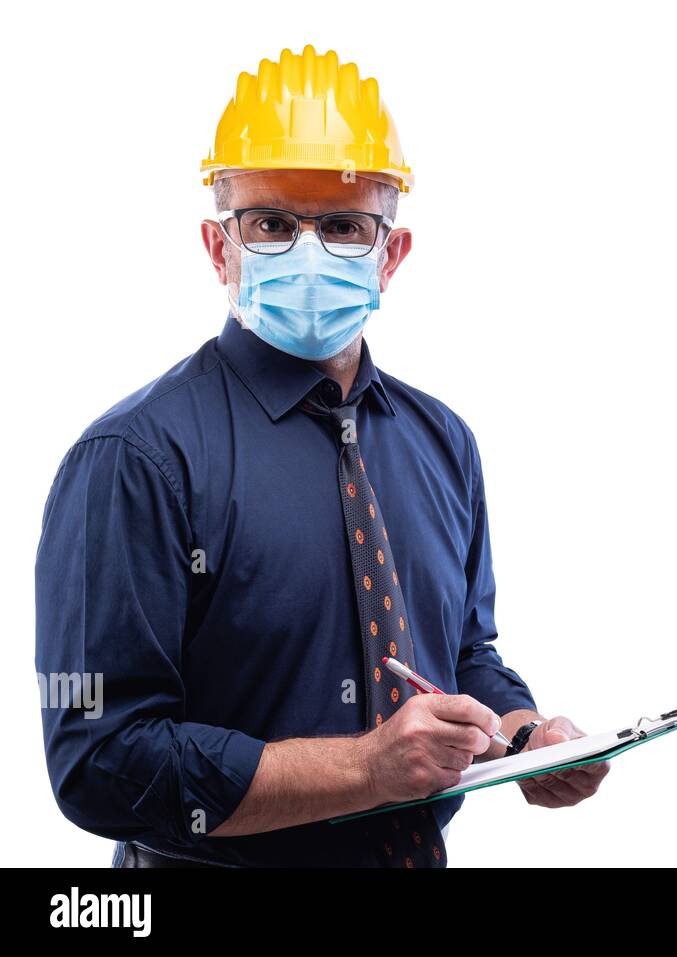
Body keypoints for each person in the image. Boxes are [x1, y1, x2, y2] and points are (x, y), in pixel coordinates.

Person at [35, 44, 608, 867]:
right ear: (217, 246)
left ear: (392, 252)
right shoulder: (133, 460)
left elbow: (462, 654)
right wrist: (365, 769)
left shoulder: (442, 443)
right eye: (270, 222)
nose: (307, 249)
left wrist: (524, 736)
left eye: (342, 224)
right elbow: (98, 762)